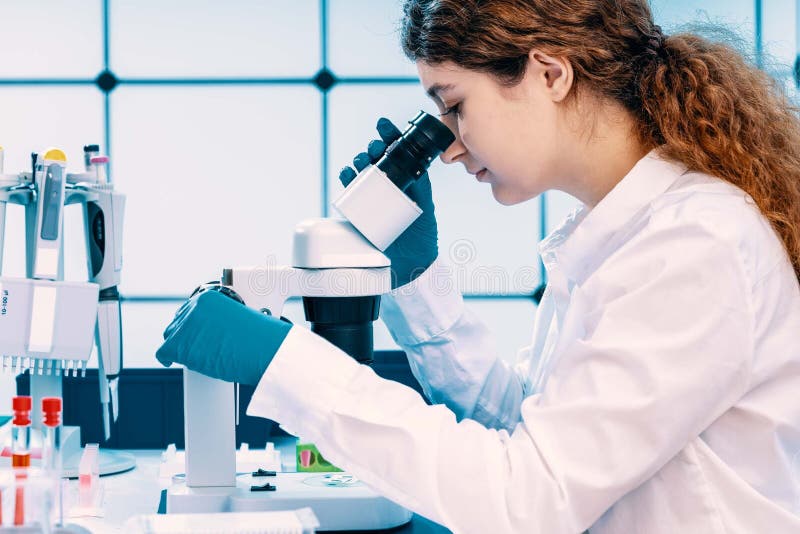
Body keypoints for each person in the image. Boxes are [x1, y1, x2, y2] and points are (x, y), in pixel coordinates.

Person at [155, 0, 800, 532]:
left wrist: (285, 364)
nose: (450, 146)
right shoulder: (618, 236)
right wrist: (417, 280)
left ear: (550, 75)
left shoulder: (696, 244)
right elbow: (527, 428)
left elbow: (528, 497)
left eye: (455, 104)